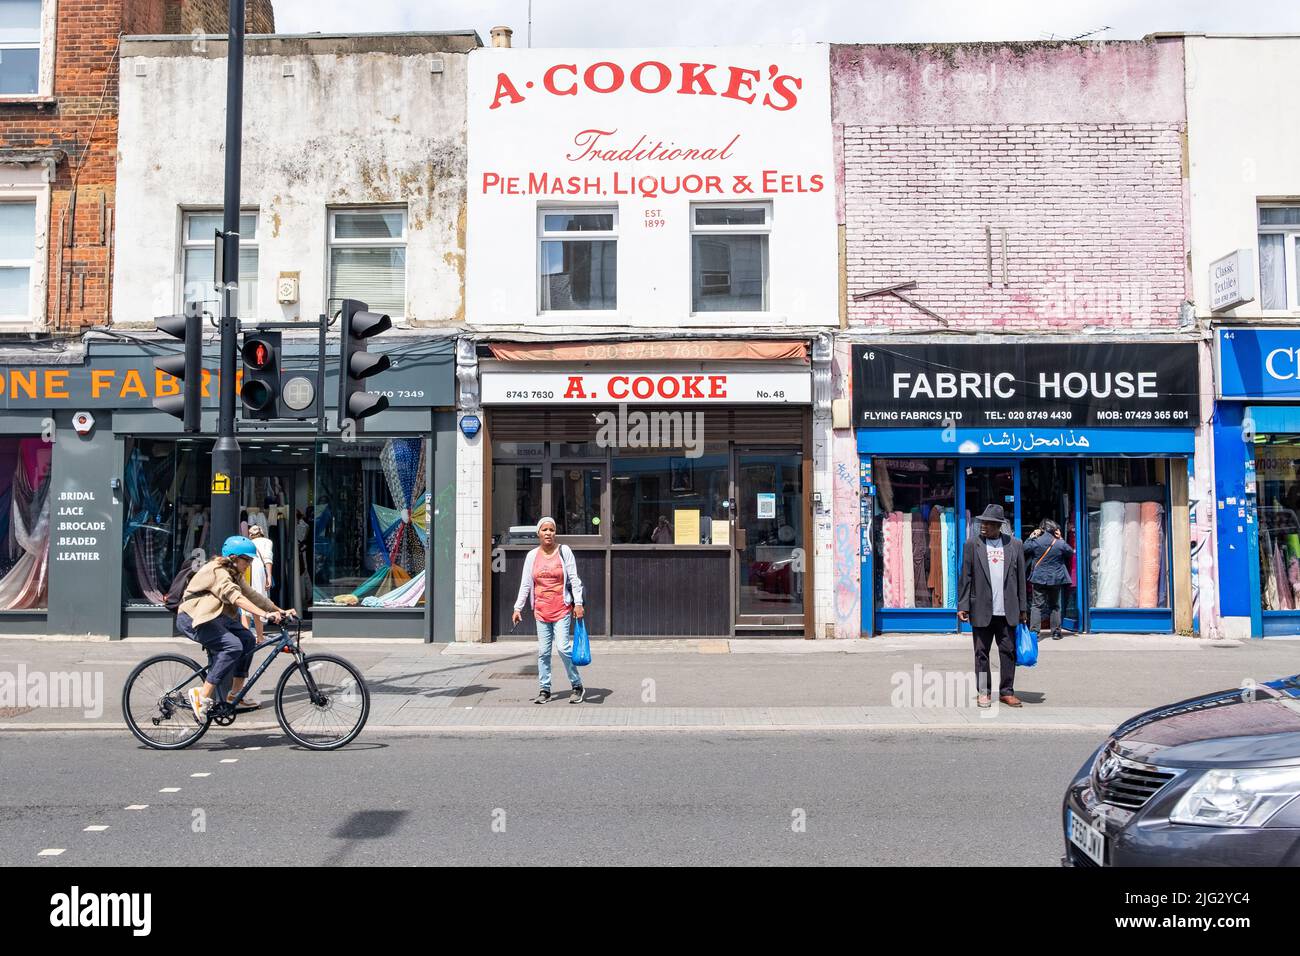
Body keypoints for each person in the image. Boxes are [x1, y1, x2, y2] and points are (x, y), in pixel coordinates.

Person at [177, 535, 297, 721]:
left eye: (250, 560)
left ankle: (235, 694)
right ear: (233, 558)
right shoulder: (218, 571)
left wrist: (280, 611)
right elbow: (237, 598)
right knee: (232, 646)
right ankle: (202, 695)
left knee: (247, 639)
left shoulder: (235, 574)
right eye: (246, 560)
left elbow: (252, 595)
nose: (249, 564)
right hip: (193, 617)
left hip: (215, 617)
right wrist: (265, 615)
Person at [957, 504, 1027, 708]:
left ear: (998, 526)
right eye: (982, 522)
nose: (983, 526)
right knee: (981, 653)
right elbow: (965, 577)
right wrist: (963, 605)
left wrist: (1023, 608)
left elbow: (1021, 579)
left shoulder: (1015, 545)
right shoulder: (972, 545)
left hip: (1008, 610)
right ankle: (984, 692)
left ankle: (1007, 691)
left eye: (988, 523)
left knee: (1008, 651)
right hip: (980, 608)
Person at [511, 516, 586, 704]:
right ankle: (545, 689)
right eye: (544, 530)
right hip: (541, 612)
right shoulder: (532, 556)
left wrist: (578, 603)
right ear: (538, 533)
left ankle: (577, 685)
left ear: (555, 533)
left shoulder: (564, 551)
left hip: (561, 609)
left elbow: (575, 579)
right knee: (543, 652)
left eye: (551, 530)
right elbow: (526, 584)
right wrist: (517, 608)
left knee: (562, 648)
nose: (548, 533)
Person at [1024, 517, 1074, 641]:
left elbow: (1024, 548)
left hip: (1039, 578)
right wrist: (1061, 538)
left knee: (1036, 606)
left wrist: (1031, 536)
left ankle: (1034, 632)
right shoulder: (1059, 542)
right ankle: (1056, 632)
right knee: (1055, 605)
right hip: (1055, 578)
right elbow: (1070, 552)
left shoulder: (1037, 541)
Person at [241, 524, 275, 642]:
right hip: (257, 570)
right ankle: (260, 636)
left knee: (245, 603)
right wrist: (269, 576)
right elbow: (268, 559)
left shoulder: (247, 542)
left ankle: (245, 637)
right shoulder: (267, 541)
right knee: (257, 600)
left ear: (250, 534)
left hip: (246, 568)